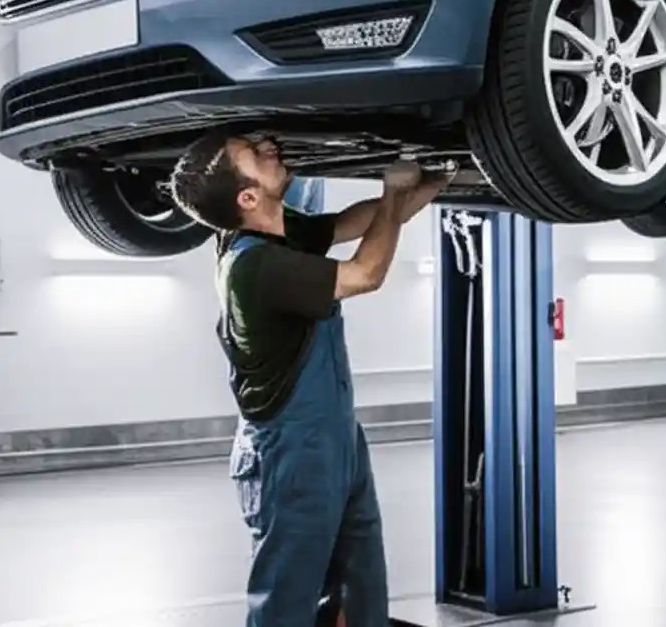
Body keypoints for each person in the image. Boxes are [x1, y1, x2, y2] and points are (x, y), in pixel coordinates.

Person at [169, 130, 454, 626]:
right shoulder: (256, 266)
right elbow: (365, 273)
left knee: (364, 584)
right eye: (254, 157)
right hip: (291, 454)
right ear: (248, 197)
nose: (268, 149)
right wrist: (392, 191)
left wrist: (440, 176)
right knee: (286, 598)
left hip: (337, 437)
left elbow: (356, 223)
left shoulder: (276, 231)